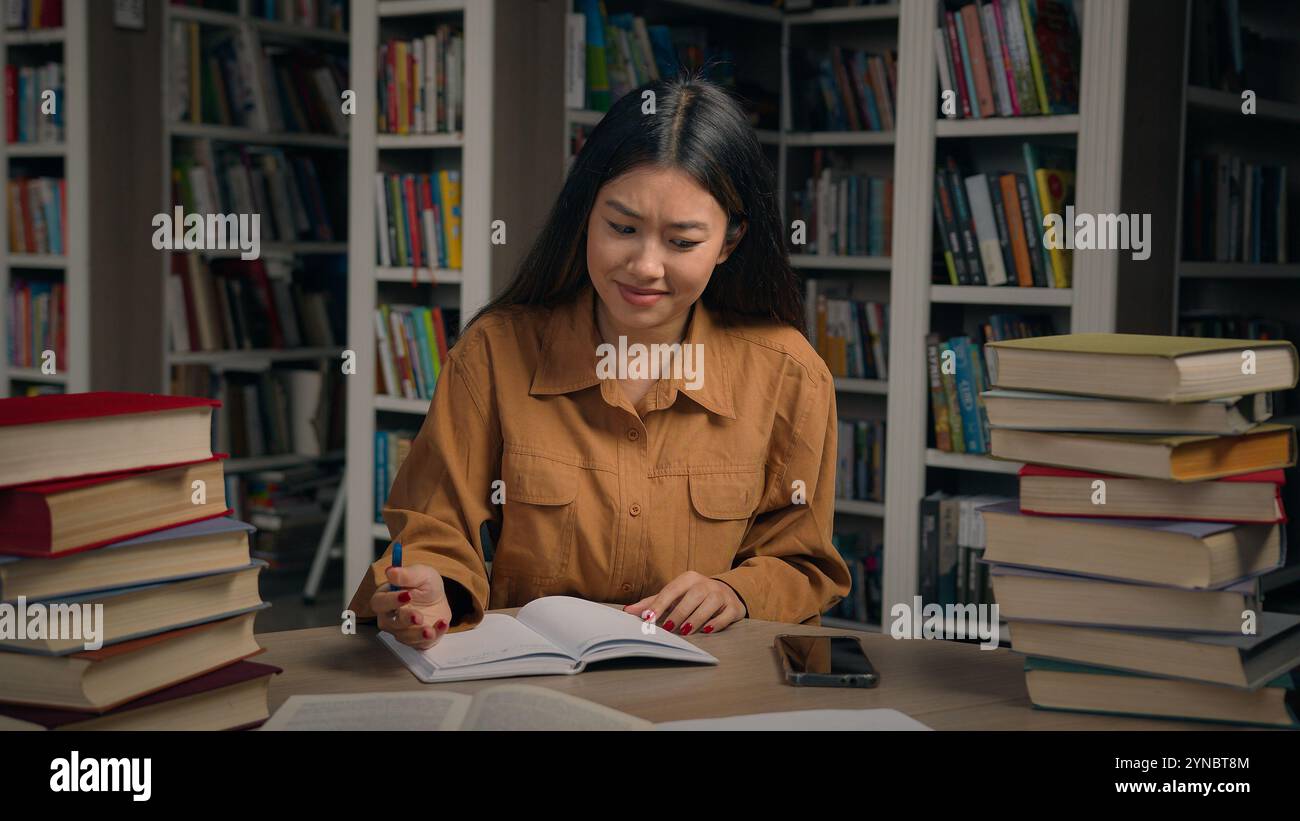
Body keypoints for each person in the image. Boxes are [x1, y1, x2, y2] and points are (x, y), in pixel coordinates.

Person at [349, 72, 851, 648]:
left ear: (729, 243)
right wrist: (433, 588)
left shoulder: (789, 374)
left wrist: (737, 592)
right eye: (622, 227)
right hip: (537, 677)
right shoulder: (494, 352)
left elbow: (804, 562)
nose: (645, 266)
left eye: (683, 242)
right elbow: (433, 526)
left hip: (711, 680)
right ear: (586, 213)